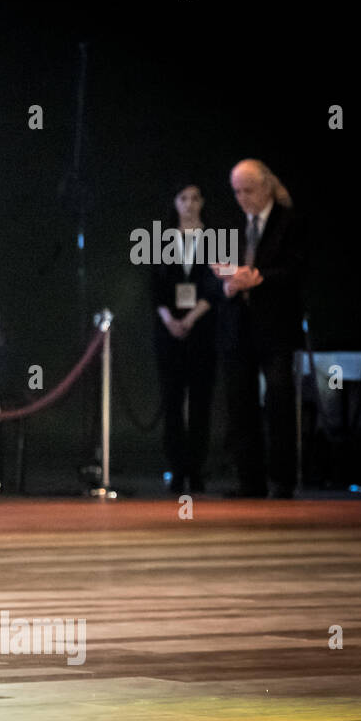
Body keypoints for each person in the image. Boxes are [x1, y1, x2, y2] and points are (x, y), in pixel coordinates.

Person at [210, 159, 309, 498]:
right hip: (238, 329)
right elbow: (213, 280)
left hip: (276, 328)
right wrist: (229, 285)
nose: (242, 198)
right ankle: (249, 480)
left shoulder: (290, 223)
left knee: (279, 402)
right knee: (240, 405)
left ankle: (282, 480)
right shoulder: (231, 224)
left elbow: (297, 270)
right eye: (236, 192)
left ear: (266, 186)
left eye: (248, 190)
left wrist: (258, 278)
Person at [152, 183, 217, 494]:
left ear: (202, 202)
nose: (189, 204)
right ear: (175, 203)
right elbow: (154, 287)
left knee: (201, 403)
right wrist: (170, 320)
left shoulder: (216, 239)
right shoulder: (161, 239)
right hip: (168, 331)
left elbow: (215, 286)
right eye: (183, 198)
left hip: (203, 331)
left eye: (195, 198)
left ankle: (197, 468)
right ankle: (177, 468)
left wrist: (191, 318)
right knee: (173, 402)